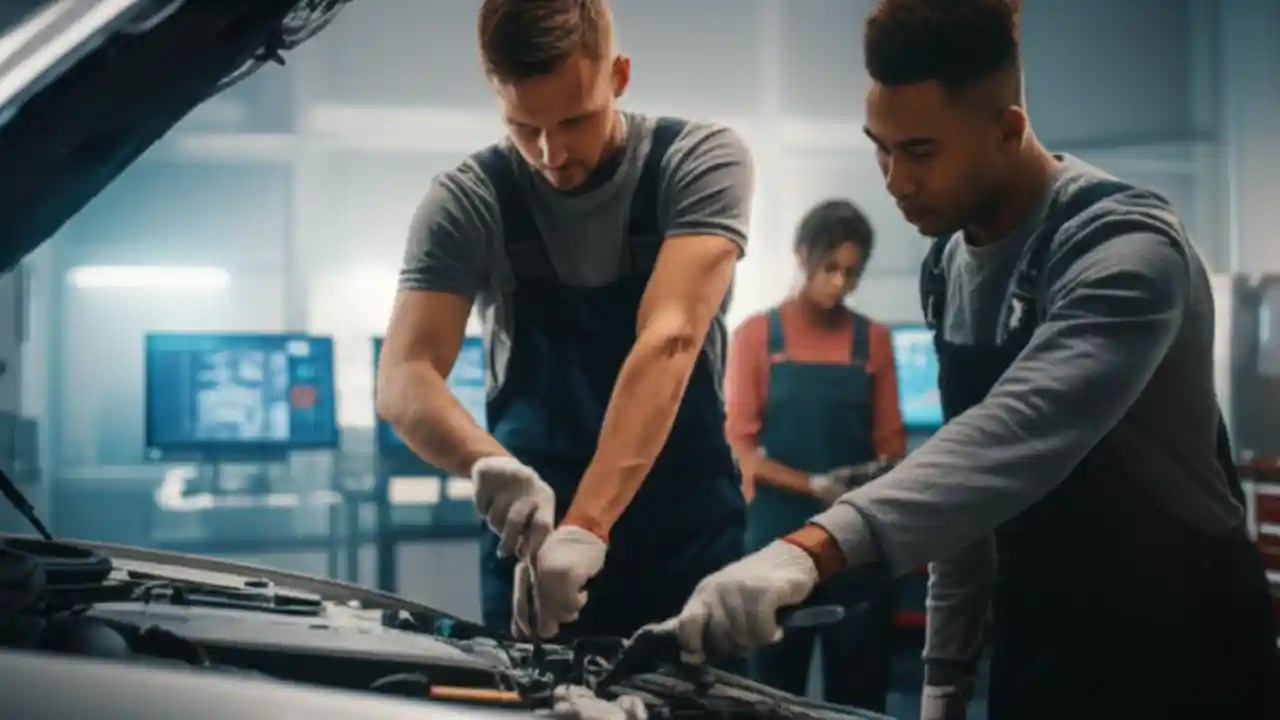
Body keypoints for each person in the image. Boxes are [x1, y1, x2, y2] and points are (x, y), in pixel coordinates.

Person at [663, 1, 1280, 719]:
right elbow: (967, 496)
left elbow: (1013, 435)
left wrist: (811, 548)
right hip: (1040, 637)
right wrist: (944, 680)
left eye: (920, 151)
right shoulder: (947, 267)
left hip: (1179, 647)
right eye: (880, 148)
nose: (893, 180)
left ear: (1007, 129)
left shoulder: (1125, 252)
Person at [376, 0, 753, 644]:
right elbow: (405, 374)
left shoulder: (699, 162)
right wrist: (486, 463)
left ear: (619, 76)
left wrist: (588, 526)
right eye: (525, 127)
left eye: (575, 121)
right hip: (533, 537)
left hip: (684, 535)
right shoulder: (467, 201)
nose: (552, 155)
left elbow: (670, 339)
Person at [724, 199, 904, 710]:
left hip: (857, 547)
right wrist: (813, 486)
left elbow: (892, 447)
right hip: (776, 546)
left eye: (852, 273)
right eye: (831, 268)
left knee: (859, 697)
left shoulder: (874, 341)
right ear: (802, 256)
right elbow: (740, 447)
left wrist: (866, 478)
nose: (840, 283)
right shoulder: (757, 336)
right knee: (769, 696)